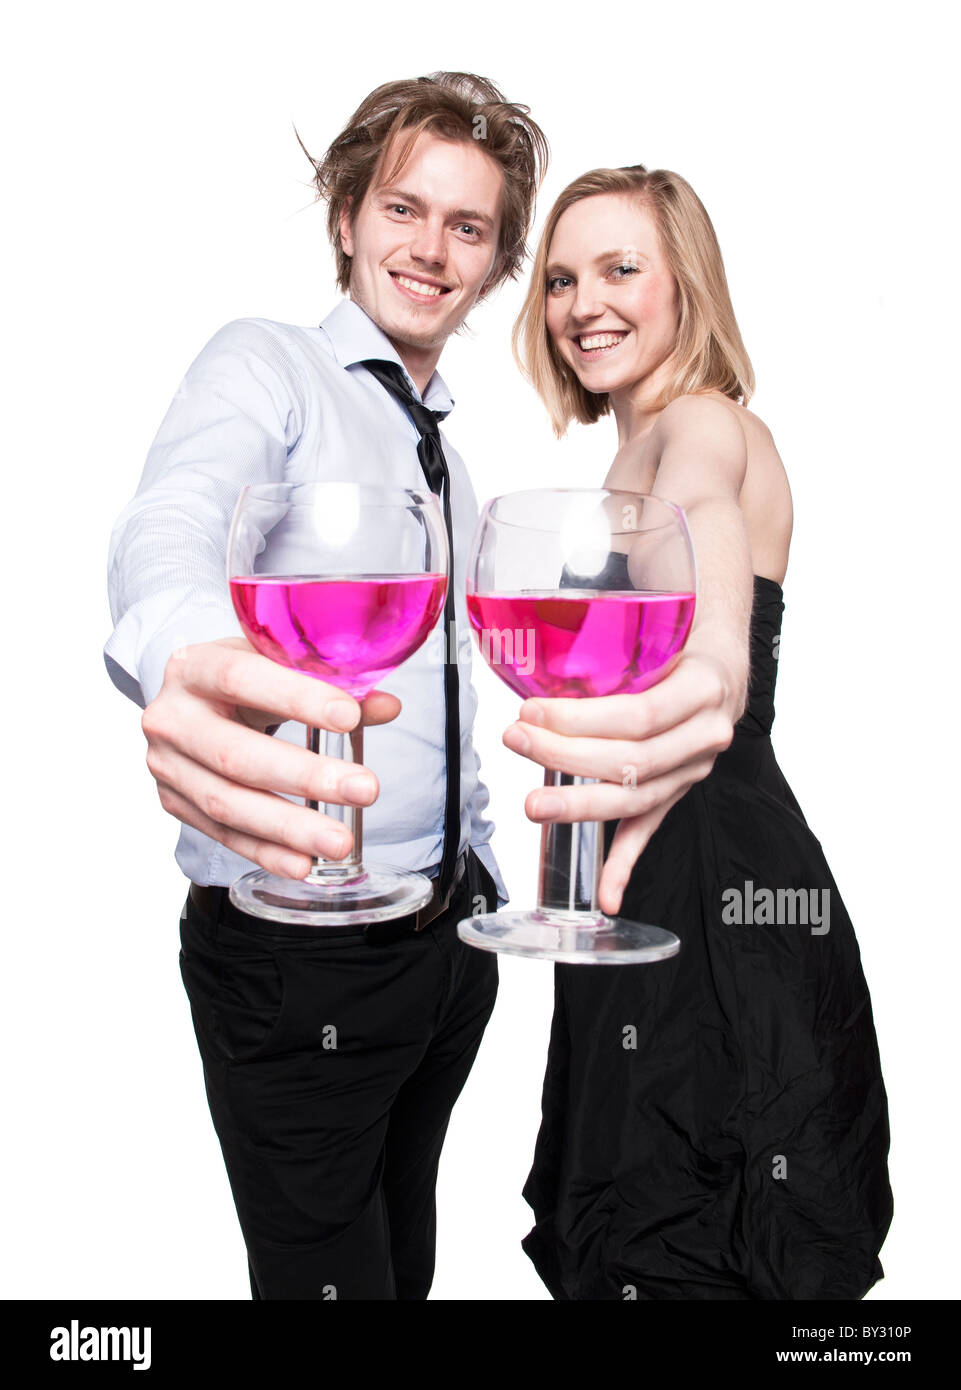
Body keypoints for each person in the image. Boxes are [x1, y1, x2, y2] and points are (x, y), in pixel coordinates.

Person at [104, 72, 549, 1301]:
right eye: (402, 208)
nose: (430, 248)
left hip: (445, 944)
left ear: (494, 262)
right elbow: (170, 521)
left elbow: (443, 694)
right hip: (300, 959)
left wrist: (478, 875)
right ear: (347, 216)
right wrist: (188, 656)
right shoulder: (269, 367)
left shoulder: (448, 458)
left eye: (467, 226)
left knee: (405, 1269)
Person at [507, 165, 893, 1300]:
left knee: (706, 1231)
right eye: (560, 279)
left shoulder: (705, 425)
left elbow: (704, 511)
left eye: (620, 269)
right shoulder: (622, 458)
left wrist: (717, 653)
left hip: (721, 884)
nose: (584, 303)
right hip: (640, 882)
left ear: (687, 284)